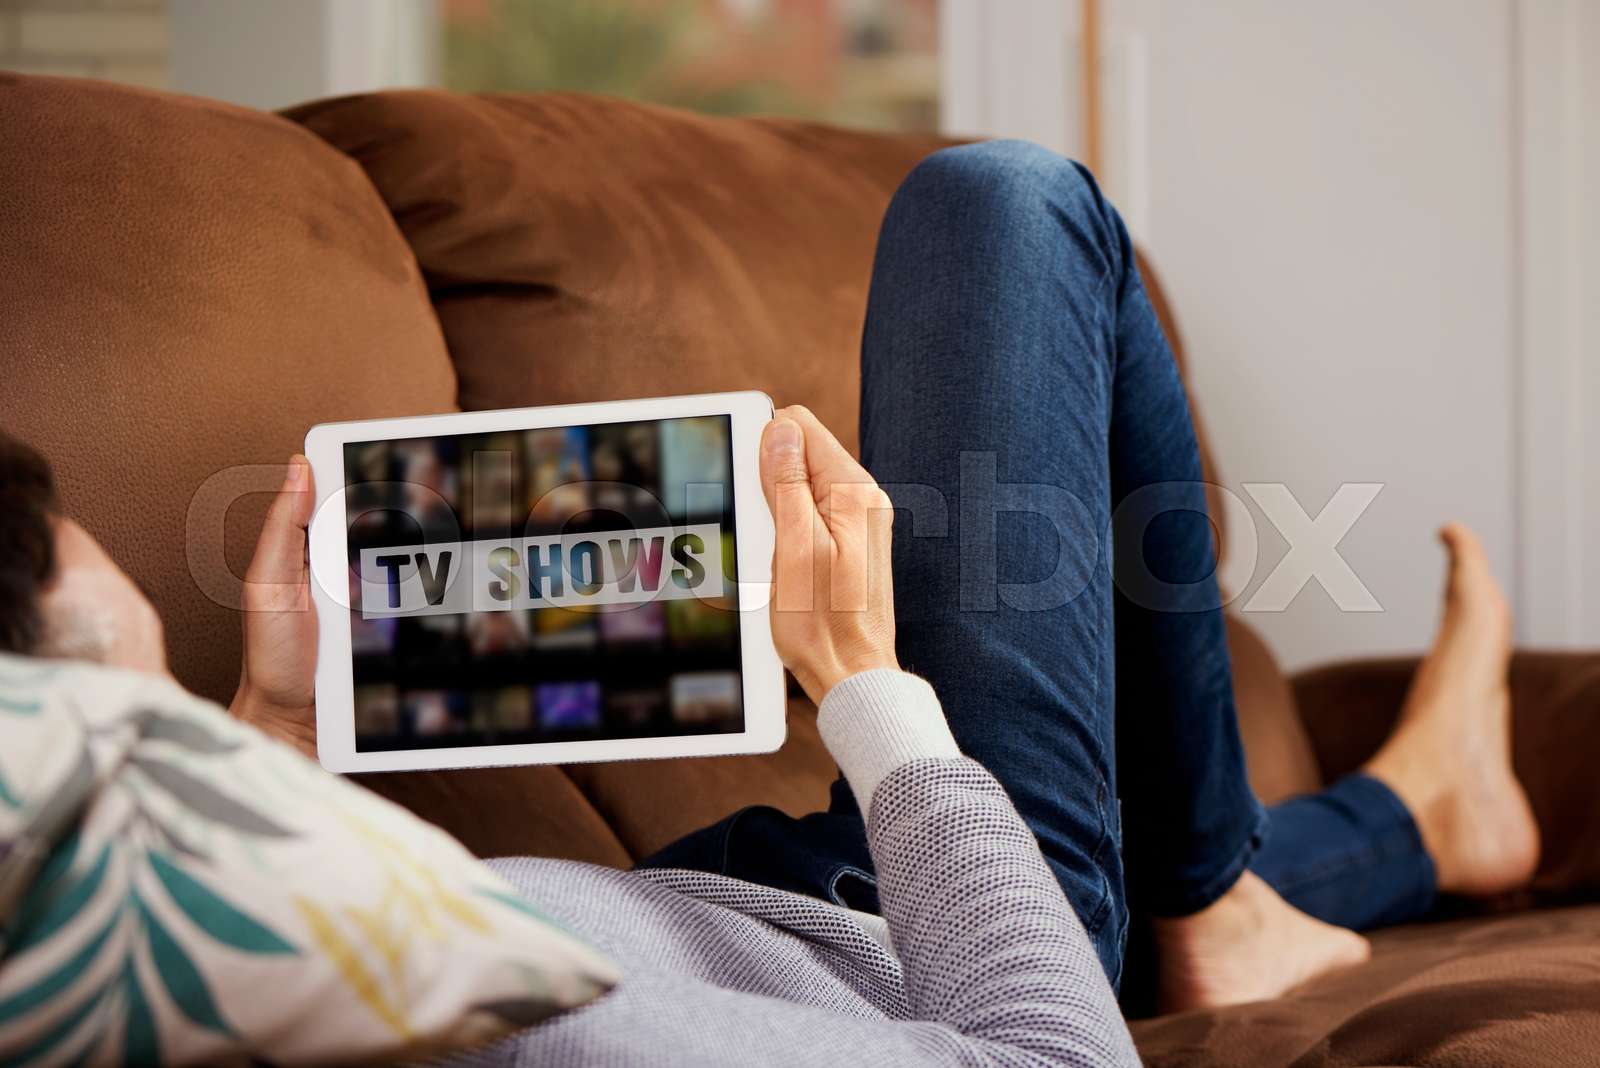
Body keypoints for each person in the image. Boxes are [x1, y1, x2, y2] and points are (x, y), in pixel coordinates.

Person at [0, 140, 1539, 1063]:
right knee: (1006, 208)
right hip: (911, 931)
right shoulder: (447, 1011)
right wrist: (868, 683)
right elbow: (1043, 1051)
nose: (96, 538)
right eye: (66, 535)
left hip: (760, 893)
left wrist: (272, 719)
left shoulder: (168, 911)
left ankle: (1400, 821)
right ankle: (1219, 898)